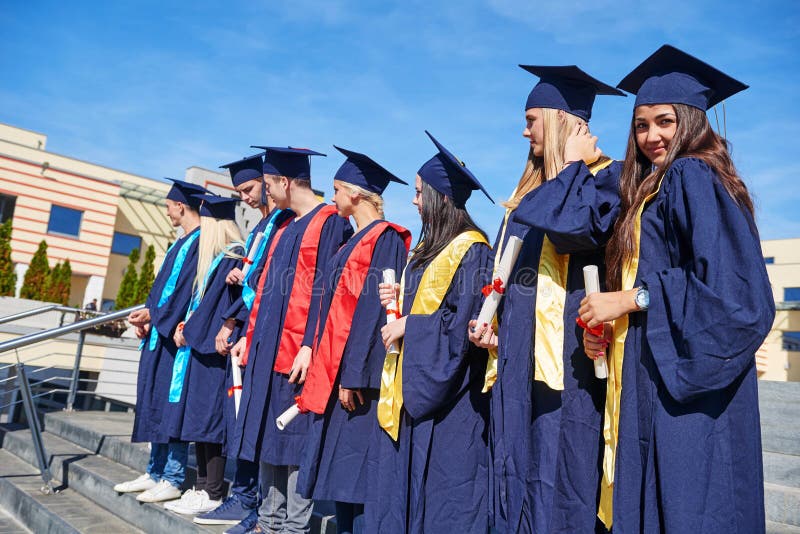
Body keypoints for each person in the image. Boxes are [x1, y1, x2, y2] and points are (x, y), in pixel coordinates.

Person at [578, 45, 775, 533]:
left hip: (690, 385)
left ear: (690, 120)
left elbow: (734, 295)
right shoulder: (652, 187)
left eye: (664, 121)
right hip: (651, 369)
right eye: (641, 125)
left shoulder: (692, 175)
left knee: (689, 505)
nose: (651, 136)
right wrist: (609, 324)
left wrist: (630, 299)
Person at [468, 65, 624, 533]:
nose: (524, 130)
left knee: (566, 479)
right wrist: (497, 324)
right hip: (521, 367)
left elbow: (578, 228)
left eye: (532, 119)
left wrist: (573, 164)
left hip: (576, 368)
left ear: (561, 121)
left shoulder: (608, 179)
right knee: (515, 473)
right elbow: (513, 278)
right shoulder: (529, 194)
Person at [371, 131, 492, 534]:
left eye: (420, 192)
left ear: (441, 197)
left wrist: (410, 324)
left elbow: (462, 323)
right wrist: (400, 298)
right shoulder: (431, 250)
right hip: (416, 392)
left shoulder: (472, 250)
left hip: (452, 403)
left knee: (445, 500)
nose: (414, 200)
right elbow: (433, 306)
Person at [228, 146, 352, 534]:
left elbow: (327, 293)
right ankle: (268, 522)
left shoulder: (328, 222)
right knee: (268, 436)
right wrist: (248, 334)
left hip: (298, 351)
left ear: (284, 181)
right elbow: (263, 287)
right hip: (267, 347)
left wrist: (310, 346)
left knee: (295, 441)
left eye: (267, 184)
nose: (264, 191)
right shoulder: (282, 224)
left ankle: (294, 528)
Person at [296, 146, 411, 534]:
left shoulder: (386, 240)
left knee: (356, 478)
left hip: (357, 383)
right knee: (340, 478)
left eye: (336, 189)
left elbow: (374, 312)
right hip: (335, 373)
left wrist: (355, 376)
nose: (332, 197)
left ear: (356, 193)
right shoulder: (351, 241)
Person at [194, 154, 294, 532]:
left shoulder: (285, 223)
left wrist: (234, 315)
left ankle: (254, 501)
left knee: (258, 421)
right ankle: (247, 496)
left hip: (269, 336)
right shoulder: (262, 228)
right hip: (250, 329)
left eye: (250, 189)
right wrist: (233, 314)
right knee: (246, 420)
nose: (248, 197)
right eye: (242, 191)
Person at [114, 178, 208, 503]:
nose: (167, 212)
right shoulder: (179, 243)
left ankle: (173, 476)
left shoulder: (200, 243)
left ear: (181, 206)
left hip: (175, 339)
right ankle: (154, 470)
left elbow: (185, 293)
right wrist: (147, 315)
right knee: (153, 401)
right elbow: (161, 291)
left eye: (169, 206)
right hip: (160, 335)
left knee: (170, 405)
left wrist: (157, 318)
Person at [159, 194, 245, 515]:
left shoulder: (235, 256)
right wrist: (186, 326)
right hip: (200, 346)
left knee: (212, 424)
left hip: (215, 352)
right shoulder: (217, 259)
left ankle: (213, 489)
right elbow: (202, 306)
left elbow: (223, 309)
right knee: (199, 423)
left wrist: (192, 330)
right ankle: (201, 486)